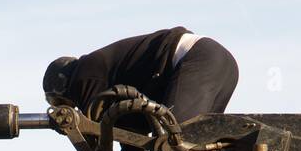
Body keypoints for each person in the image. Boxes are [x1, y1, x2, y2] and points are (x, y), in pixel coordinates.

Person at [42, 27, 239, 127]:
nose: (72, 108)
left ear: (63, 85)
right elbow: (132, 137)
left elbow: (97, 140)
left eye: (63, 102)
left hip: (197, 58)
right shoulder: (105, 73)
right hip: (221, 63)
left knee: (176, 145)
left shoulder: (84, 75)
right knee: (201, 145)